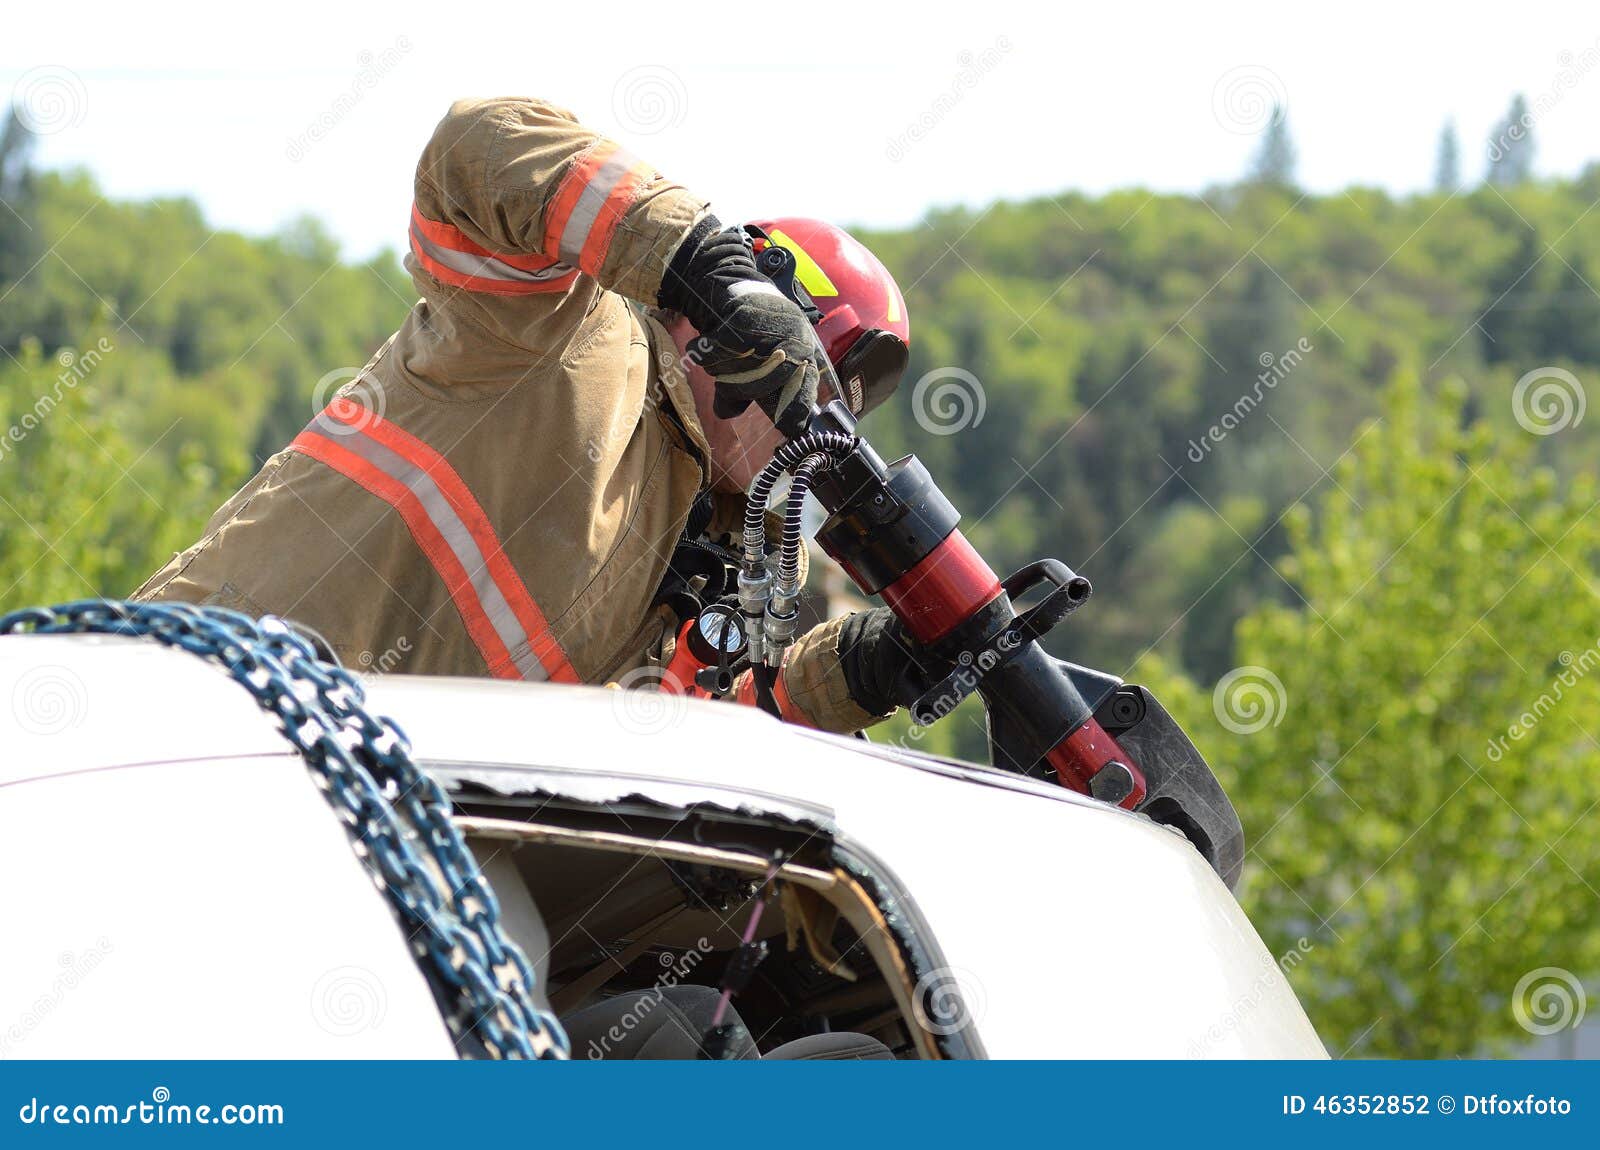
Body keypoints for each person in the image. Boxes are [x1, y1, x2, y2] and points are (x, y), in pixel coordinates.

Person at [135, 97, 919, 733]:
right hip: (171, 717)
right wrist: (694, 258)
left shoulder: (715, 571)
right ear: (755, 321)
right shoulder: (566, 327)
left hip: (338, 843)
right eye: (812, 381)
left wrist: (861, 674)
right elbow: (472, 151)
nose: (814, 425)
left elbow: (680, 773)